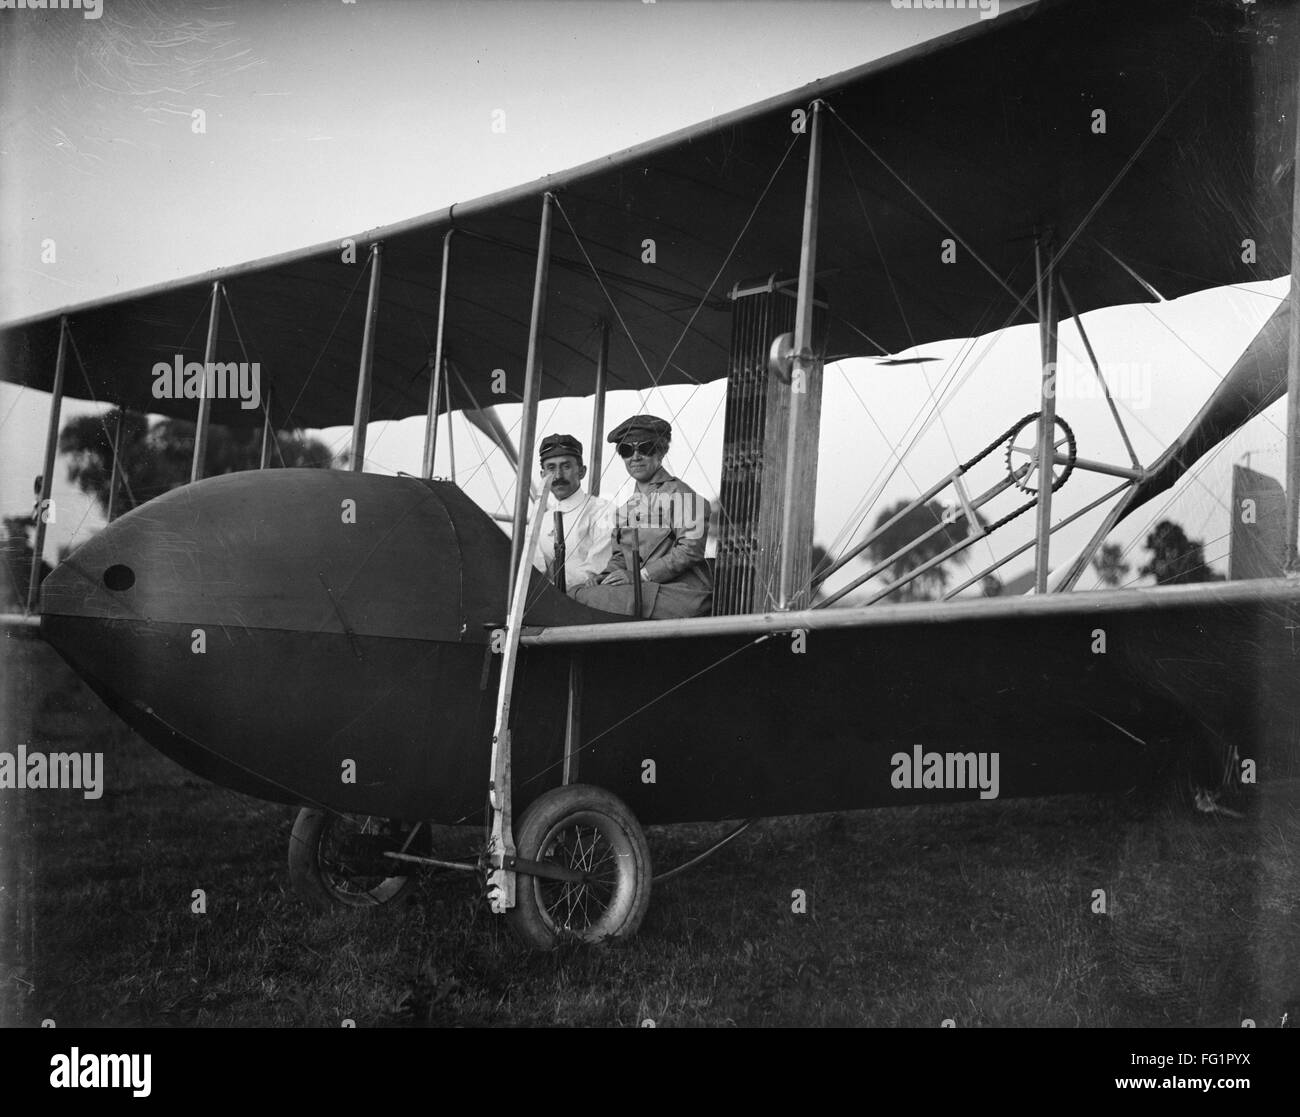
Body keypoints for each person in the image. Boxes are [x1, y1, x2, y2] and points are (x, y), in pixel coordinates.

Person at [572, 414, 712, 619]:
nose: (635, 457)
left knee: (582, 601)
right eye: (627, 450)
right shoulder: (626, 509)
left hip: (680, 594)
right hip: (642, 591)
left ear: (662, 451)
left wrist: (639, 576)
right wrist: (603, 577)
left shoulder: (683, 496)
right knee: (578, 594)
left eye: (645, 448)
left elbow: (690, 551)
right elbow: (620, 557)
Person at [530, 433, 614, 596]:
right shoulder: (542, 520)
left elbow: (595, 570)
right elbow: (537, 570)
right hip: (551, 603)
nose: (558, 476)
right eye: (551, 468)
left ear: (581, 472)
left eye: (566, 466)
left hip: (592, 602)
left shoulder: (603, 511)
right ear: (542, 475)